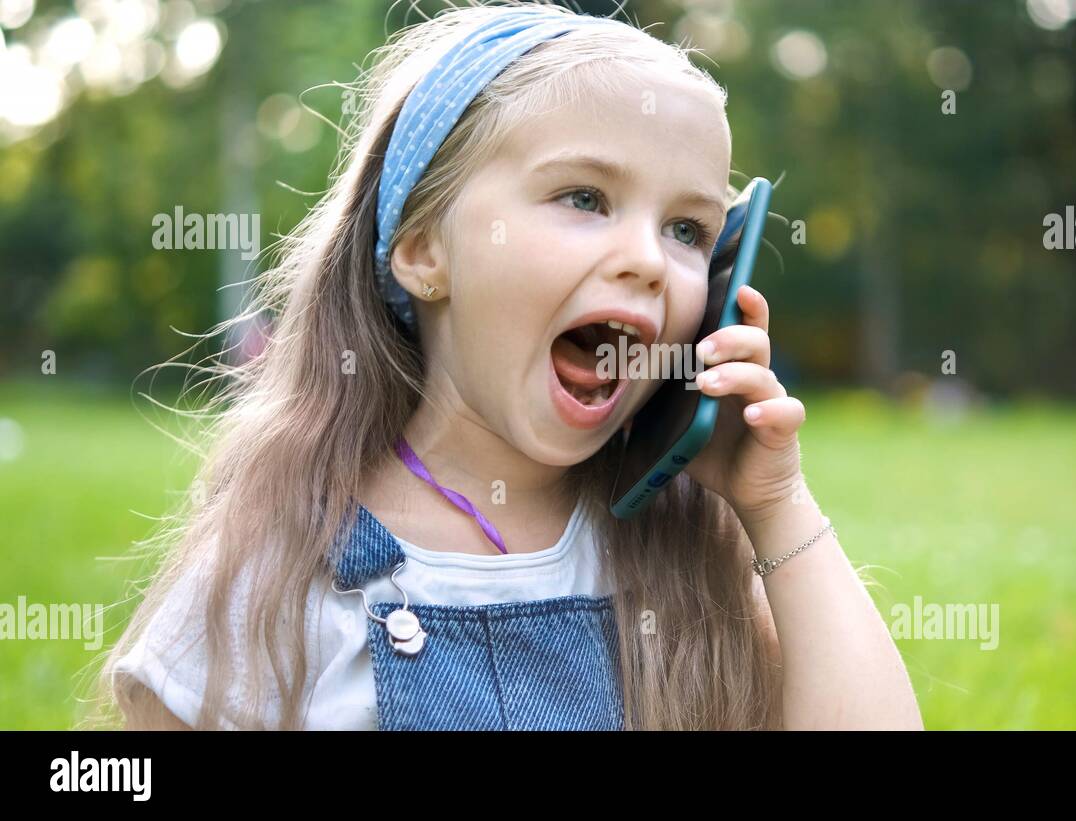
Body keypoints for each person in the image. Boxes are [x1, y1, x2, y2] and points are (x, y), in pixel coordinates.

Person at [97, 1, 922, 731]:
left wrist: (776, 509)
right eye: (586, 198)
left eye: (687, 230)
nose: (647, 259)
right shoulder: (272, 574)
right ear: (424, 250)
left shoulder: (684, 560)